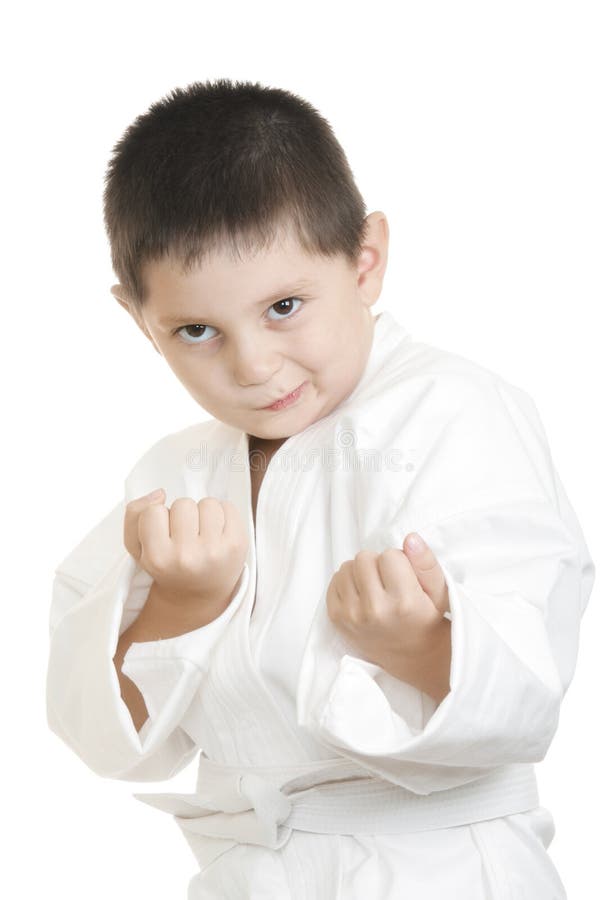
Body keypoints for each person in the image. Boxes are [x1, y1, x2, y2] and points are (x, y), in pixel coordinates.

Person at [46, 78, 594, 899]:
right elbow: (99, 732)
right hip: (247, 875)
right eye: (196, 330)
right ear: (139, 320)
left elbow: (528, 692)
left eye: (284, 306)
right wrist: (183, 607)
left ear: (365, 261)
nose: (252, 365)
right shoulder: (171, 476)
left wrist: (420, 645)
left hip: (439, 869)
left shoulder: (452, 412)